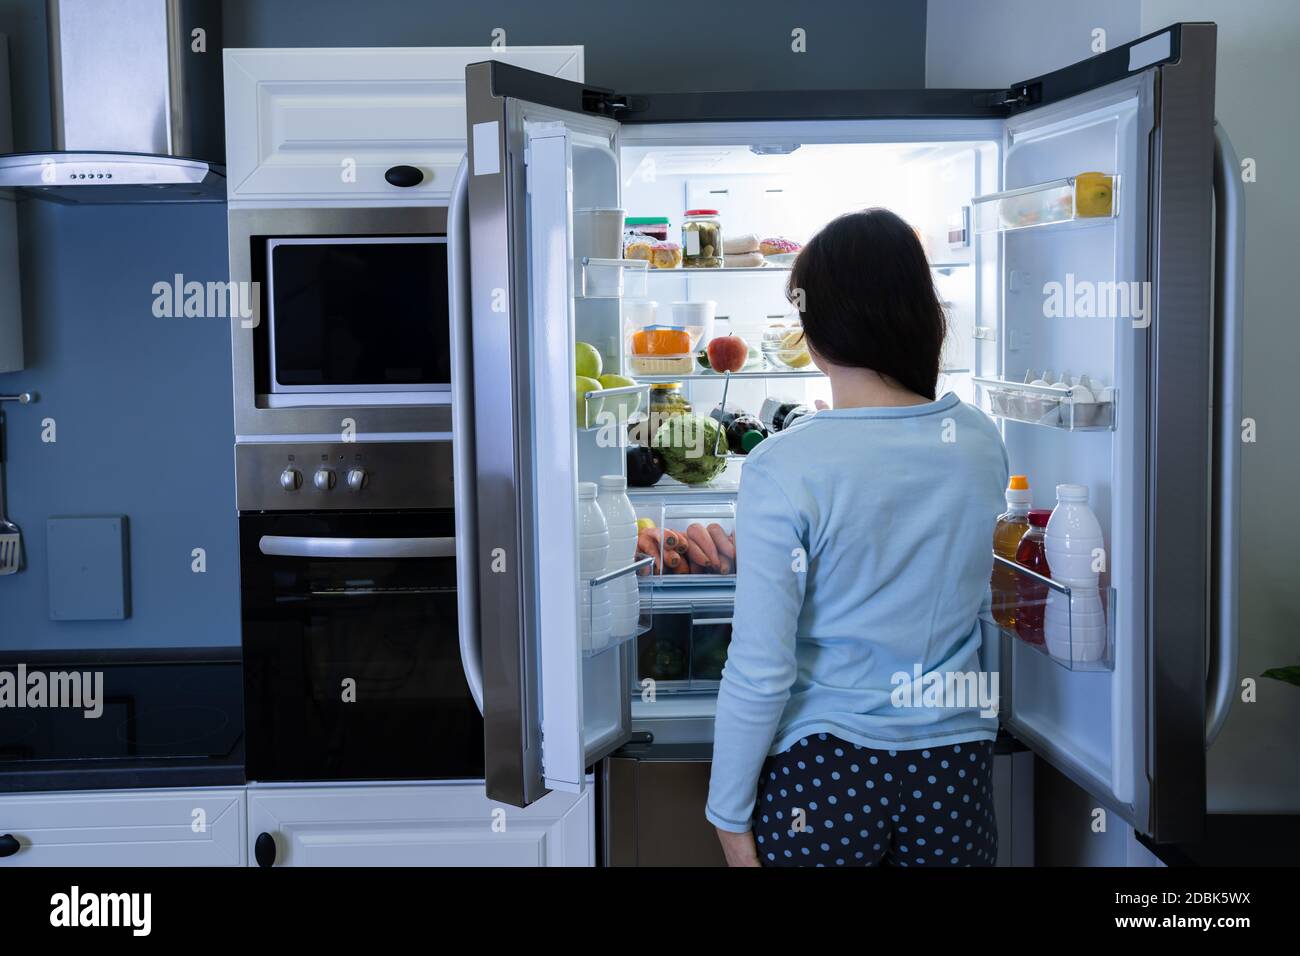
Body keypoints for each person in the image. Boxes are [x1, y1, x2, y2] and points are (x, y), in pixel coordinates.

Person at [706, 208, 1008, 867]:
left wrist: (729, 815)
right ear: (925, 317)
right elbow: (978, 604)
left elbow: (761, 667)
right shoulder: (981, 442)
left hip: (825, 770)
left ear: (816, 336)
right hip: (951, 766)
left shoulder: (783, 464)